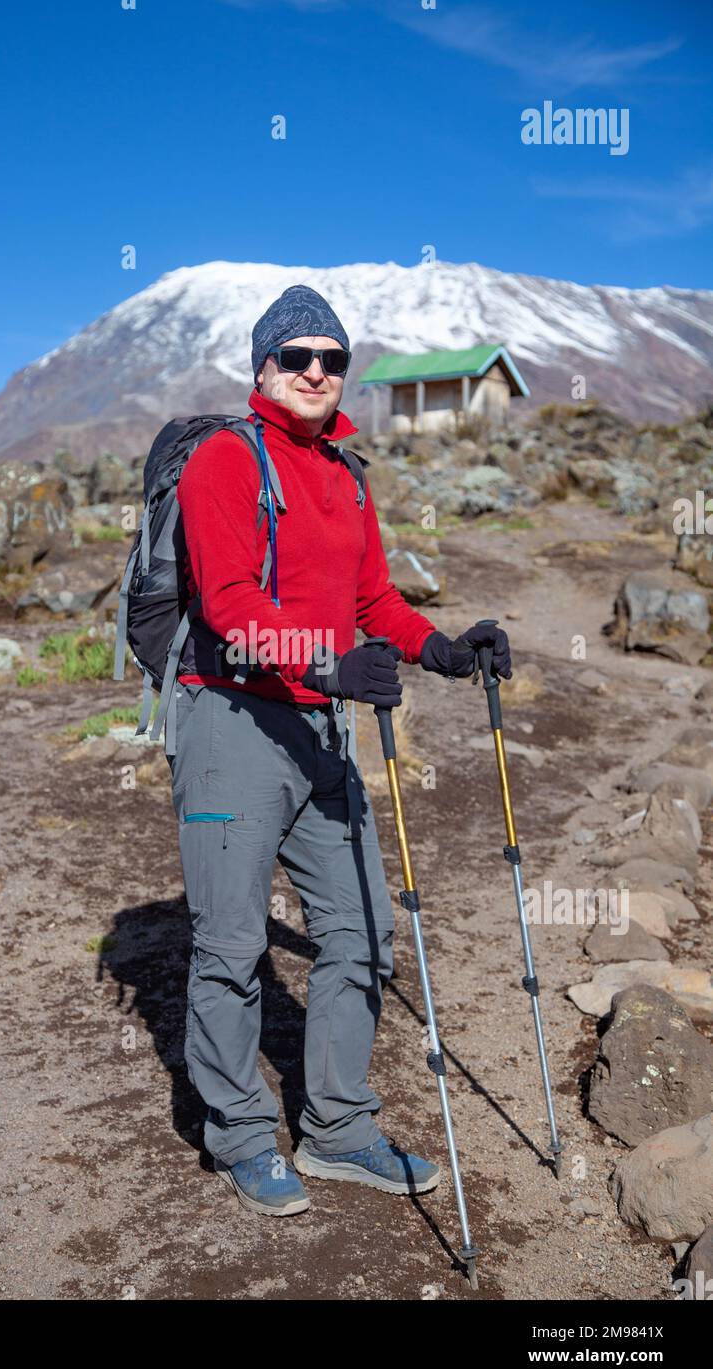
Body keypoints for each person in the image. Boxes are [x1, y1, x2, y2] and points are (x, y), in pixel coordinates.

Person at [168, 285, 512, 1216]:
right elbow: (231, 609)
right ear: (263, 368)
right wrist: (328, 665)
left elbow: (374, 606)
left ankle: (338, 1129)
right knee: (233, 943)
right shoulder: (223, 463)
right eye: (297, 357)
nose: (317, 372)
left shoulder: (348, 476)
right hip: (230, 721)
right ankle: (240, 1136)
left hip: (319, 726)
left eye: (333, 359)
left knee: (363, 924)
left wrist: (439, 648)